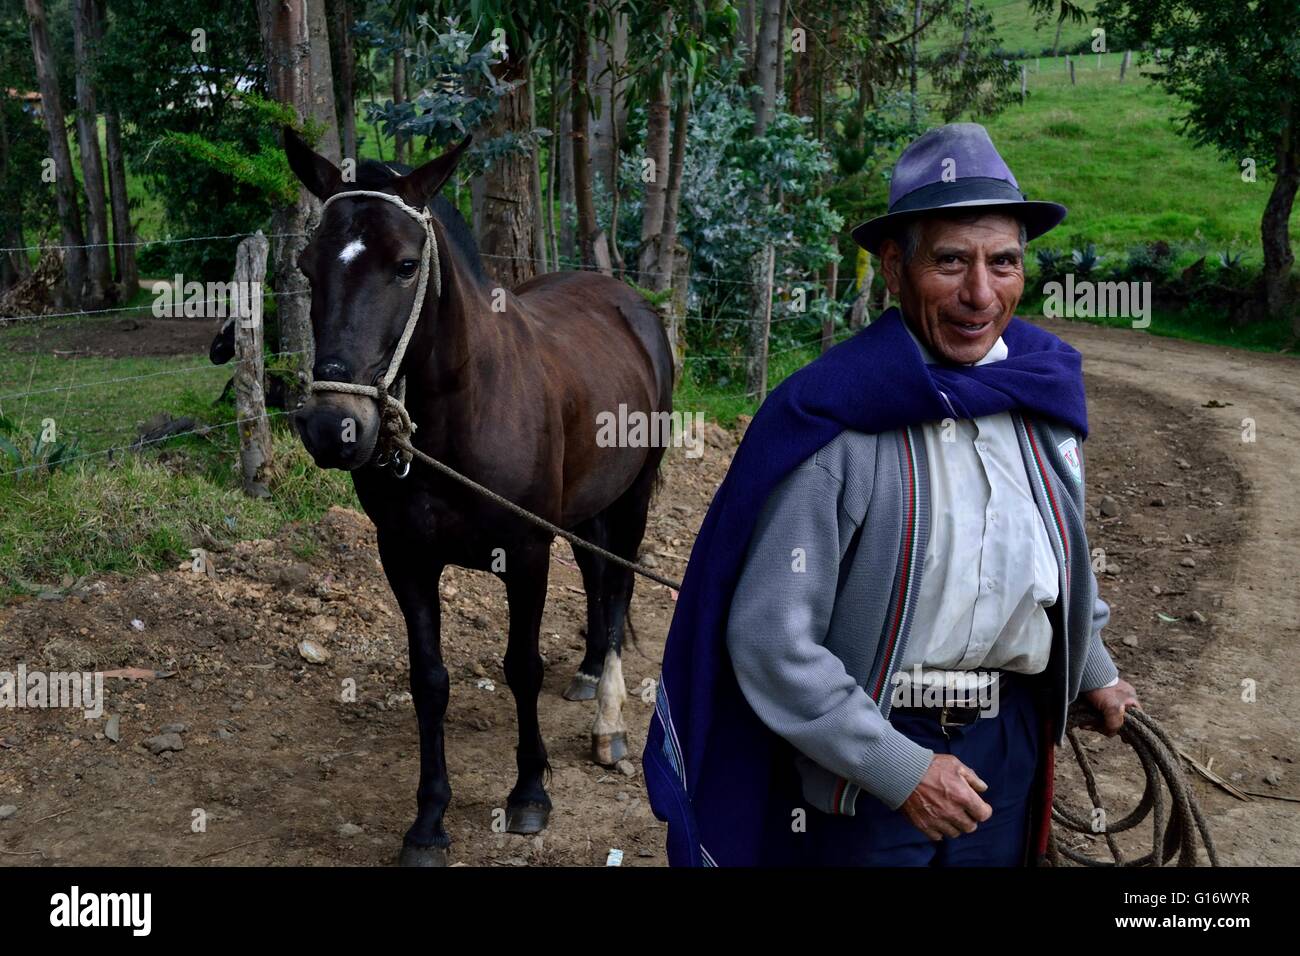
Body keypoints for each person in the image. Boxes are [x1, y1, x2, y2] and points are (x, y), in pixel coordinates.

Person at [644, 122, 1139, 867]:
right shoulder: (836, 423)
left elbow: (1055, 566)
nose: (981, 293)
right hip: (870, 764)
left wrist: (1093, 666)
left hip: (1007, 748)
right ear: (893, 268)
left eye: (1004, 263)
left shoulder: (1039, 397)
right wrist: (900, 771)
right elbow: (772, 640)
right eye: (950, 262)